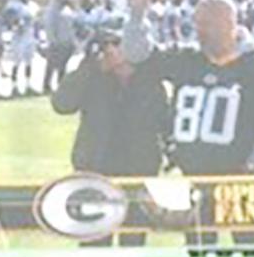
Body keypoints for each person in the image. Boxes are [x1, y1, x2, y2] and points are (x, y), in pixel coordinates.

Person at [123, 0, 254, 179]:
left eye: (208, 24)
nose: (200, 30)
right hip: (187, 177)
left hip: (235, 180)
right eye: (198, 23)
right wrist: (137, 14)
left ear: (230, 25)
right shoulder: (187, 60)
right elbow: (137, 55)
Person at [50, 27, 170, 180]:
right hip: (95, 166)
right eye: (106, 46)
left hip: (139, 168)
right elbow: (62, 104)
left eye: (118, 44)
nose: (112, 51)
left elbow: (164, 120)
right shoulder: (91, 75)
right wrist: (93, 68)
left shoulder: (148, 80)